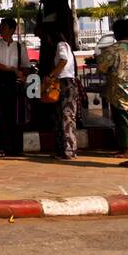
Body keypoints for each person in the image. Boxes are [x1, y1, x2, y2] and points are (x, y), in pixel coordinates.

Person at [96, 18, 128, 159]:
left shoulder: (112, 50)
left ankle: (127, 150)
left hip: (119, 91)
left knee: (123, 121)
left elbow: (101, 68)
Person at [0, 18, 25, 156]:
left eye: (4, 27)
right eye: (1, 26)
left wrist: (23, 74)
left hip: (13, 82)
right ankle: (1, 146)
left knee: (13, 114)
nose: (1, 29)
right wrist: (11, 69)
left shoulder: (20, 47)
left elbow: (25, 64)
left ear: (12, 30)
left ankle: (14, 147)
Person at [44, 29, 77, 159]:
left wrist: (51, 75)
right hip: (65, 82)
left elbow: (63, 61)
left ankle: (68, 150)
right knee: (62, 116)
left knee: (65, 117)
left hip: (65, 82)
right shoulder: (65, 45)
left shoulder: (61, 45)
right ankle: (64, 149)